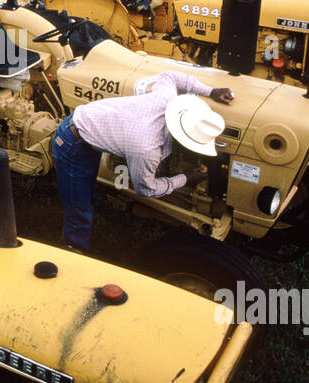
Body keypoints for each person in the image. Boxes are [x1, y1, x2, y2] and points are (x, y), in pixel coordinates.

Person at [52, 71, 234, 252]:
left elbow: (170, 76)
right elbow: (145, 188)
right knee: (79, 208)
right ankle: (73, 249)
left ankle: (81, 210)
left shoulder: (165, 97)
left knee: (85, 190)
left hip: (87, 128)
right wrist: (185, 178)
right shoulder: (147, 148)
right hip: (72, 144)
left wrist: (211, 91)